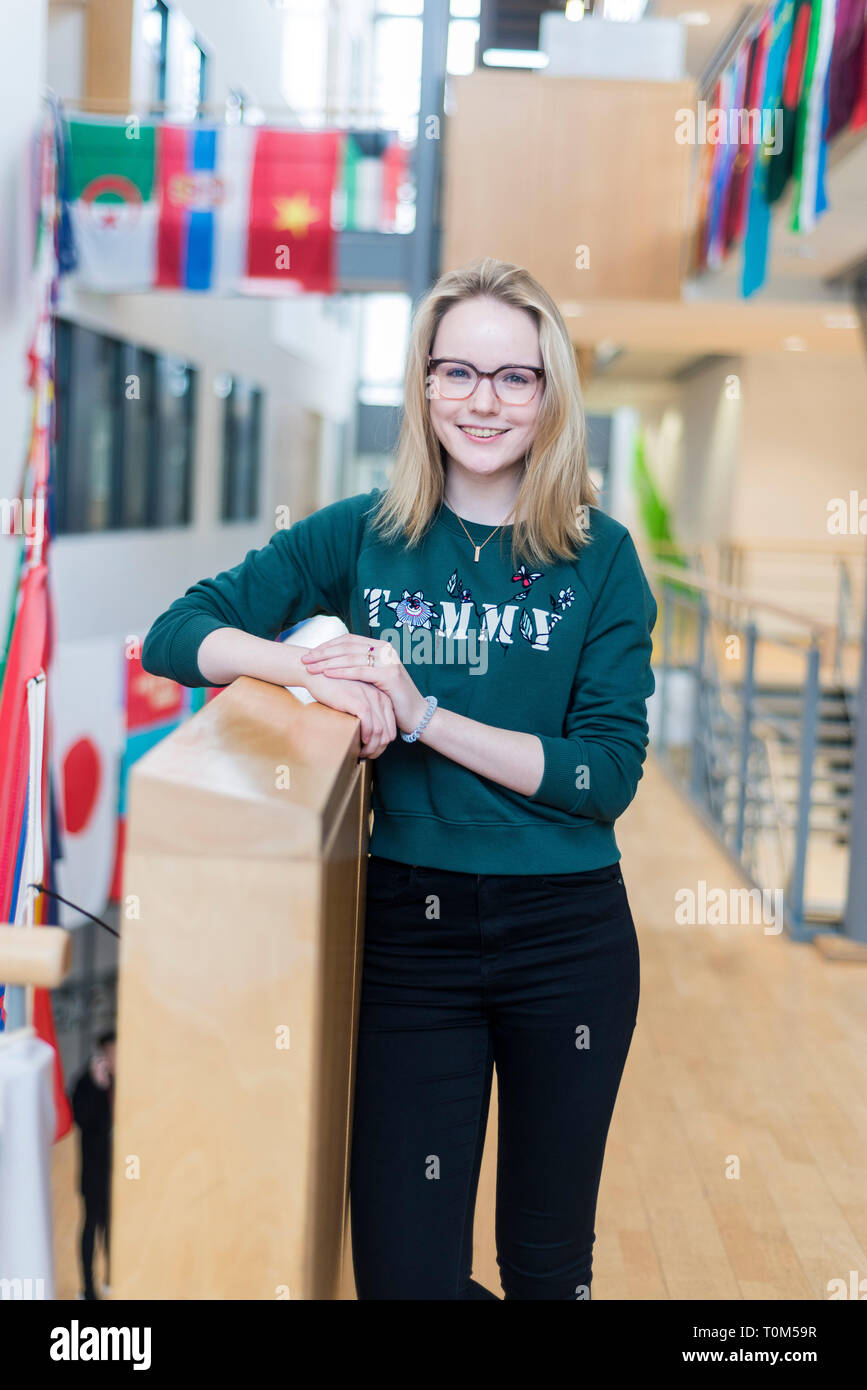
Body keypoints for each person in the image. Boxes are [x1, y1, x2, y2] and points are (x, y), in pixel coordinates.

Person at [141, 256, 657, 1300]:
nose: (484, 400)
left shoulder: (600, 557)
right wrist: (315, 667)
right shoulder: (366, 535)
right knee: (404, 1277)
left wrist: (422, 712)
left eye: (516, 377)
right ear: (422, 385)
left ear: (552, 394)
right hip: (412, 939)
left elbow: (603, 775)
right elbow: (177, 630)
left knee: (548, 1271)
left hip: (568, 938)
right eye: (458, 371)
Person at [71, 1029, 115, 1300]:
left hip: (124, 1175)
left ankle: (114, 1280)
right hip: (95, 1174)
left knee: (116, 1230)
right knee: (92, 1228)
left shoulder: (128, 1080)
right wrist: (98, 1086)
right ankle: (88, 1289)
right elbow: (83, 1119)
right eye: (111, 1053)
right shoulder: (86, 1083)